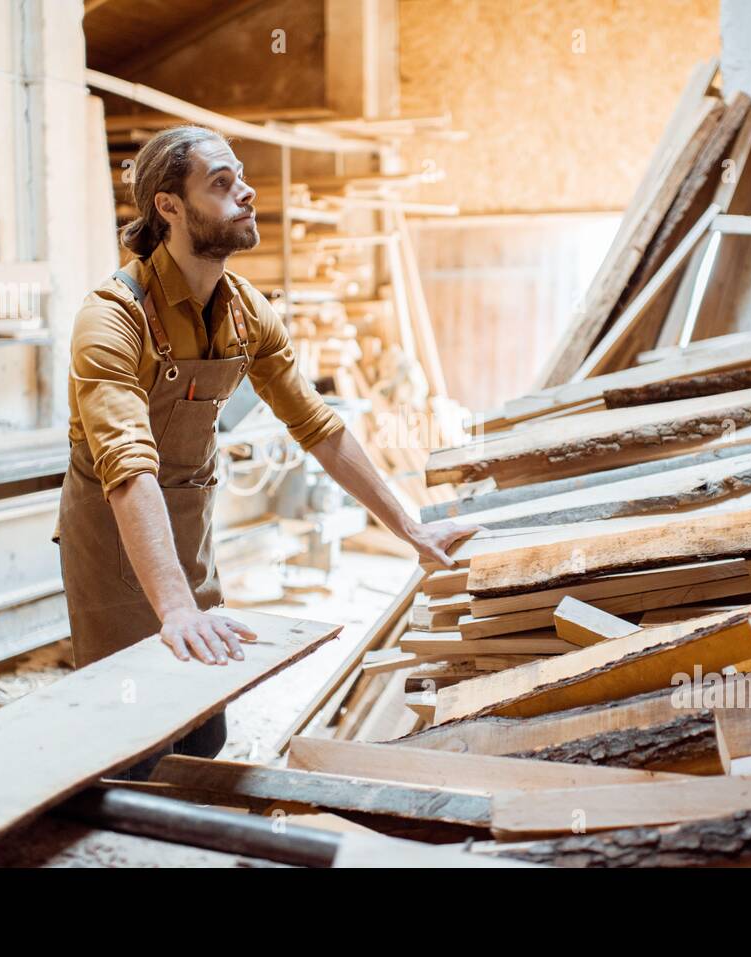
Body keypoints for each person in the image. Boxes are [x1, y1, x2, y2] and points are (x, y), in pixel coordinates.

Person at [53, 125, 478, 777]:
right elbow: (129, 467)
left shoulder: (247, 312)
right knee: (125, 739)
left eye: (239, 177)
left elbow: (319, 428)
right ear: (168, 206)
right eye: (221, 185)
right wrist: (175, 610)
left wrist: (411, 528)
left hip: (187, 530)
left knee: (202, 734)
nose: (247, 194)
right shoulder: (112, 319)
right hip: (115, 538)